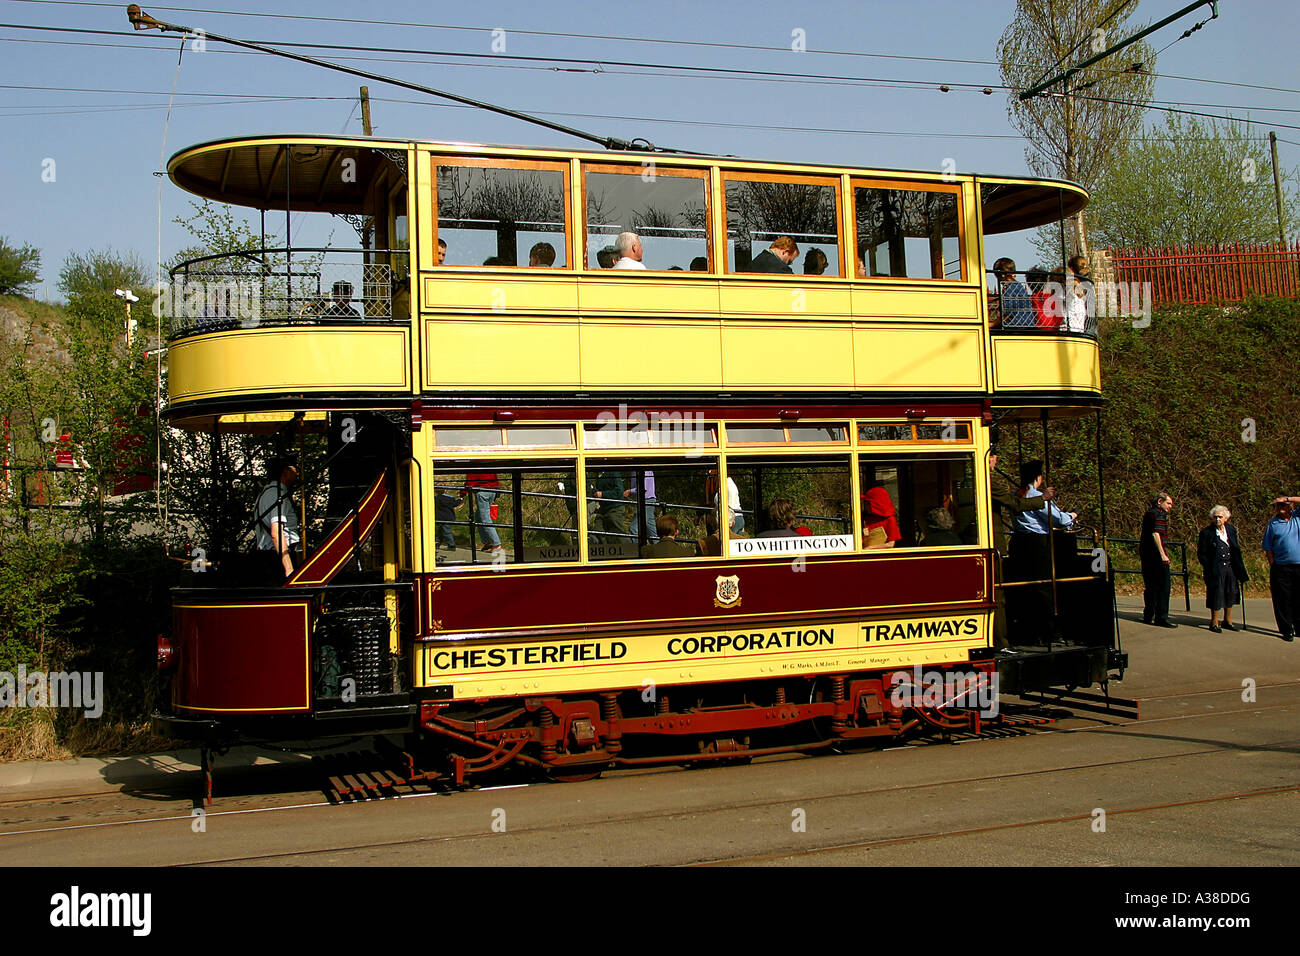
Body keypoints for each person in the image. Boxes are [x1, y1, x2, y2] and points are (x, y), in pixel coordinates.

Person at [988, 446, 1052, 648]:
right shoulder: (1001, 487)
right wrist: (1043, 499)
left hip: (1018, 544)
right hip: (1036, 545)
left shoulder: (1018, 491)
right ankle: (1039, 633)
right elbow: (1058, 518)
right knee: (1039, 587)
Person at [1197, 505, 1248, 633]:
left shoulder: (1231, 530)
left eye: (1220, 517)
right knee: (1216, 593)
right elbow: (1201, 553)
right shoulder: (1206, 532)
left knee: (1230, 592)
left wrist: (1239, 568)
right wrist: (1208, 566)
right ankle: (1214, 622)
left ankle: (1227, 620)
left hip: (1230, 566)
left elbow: (1235, 549)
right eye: (1215, 517)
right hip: (1216, 567)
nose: (1218, 519)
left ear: (1226, 518)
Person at [255, 457, 301, 581]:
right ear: (285, 471)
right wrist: (289, 568)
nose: (297, 473)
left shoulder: (267, 492)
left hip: (271, 556)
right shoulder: (277, 494)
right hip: (277, 558)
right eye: (294, 469)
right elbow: (276, 533)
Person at [1262, 494, 1300, 642]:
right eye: (1278, 506)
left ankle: (1298, 626)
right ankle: (1287, 629)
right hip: (1281, 567)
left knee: (1298, 598)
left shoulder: (1297, 517)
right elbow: (1268, 548)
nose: (1281, 508)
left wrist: (1287, 499)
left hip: (1298, 566)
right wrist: (1273, 564)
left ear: (1291, 506)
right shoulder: (1273, 524)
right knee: (1283, 599)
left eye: (1284, 506)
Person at [1140, 492, 1177, 627]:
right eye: (1168, 503)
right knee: (1163, 587)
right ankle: (1161, 617)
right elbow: (1156, 533)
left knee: (1150, 586)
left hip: (1146, 554)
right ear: (1160, 501)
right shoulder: (1159, 514)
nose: (1170, 507)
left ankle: (1149, 614)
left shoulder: (1149, 513)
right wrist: (1162, 554)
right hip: (1156, 556)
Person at [465, 472, 502, 553]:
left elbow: (470, 481)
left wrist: (462, 493)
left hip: (482, 491)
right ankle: (488, 541)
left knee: (485, 518)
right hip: (492, 489)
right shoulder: (487, 462)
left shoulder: (473, 465)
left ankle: (496, 544)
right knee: (479, 516)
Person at [992, 257, 1033, 328]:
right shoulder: (1018, 286)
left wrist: (992, 324)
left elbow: (1008, 313)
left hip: (1017, 325)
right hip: (1027, 323)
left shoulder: (1010, 289)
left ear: (1002, 275)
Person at [626, 469, 658, 543]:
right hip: (646, 500)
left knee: (634, 528)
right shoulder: (635, 470)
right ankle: (659, 550)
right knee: (650, 529)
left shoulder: (644, 470)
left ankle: (637, 551)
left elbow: (644, 488)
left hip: (646, 500)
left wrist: (630, 491)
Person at [1065, 255, 1092, 333]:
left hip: (1078, 329)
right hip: (1085, 328)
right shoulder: (1088, 284)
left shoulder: (1072, 285)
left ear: (1072, 269)